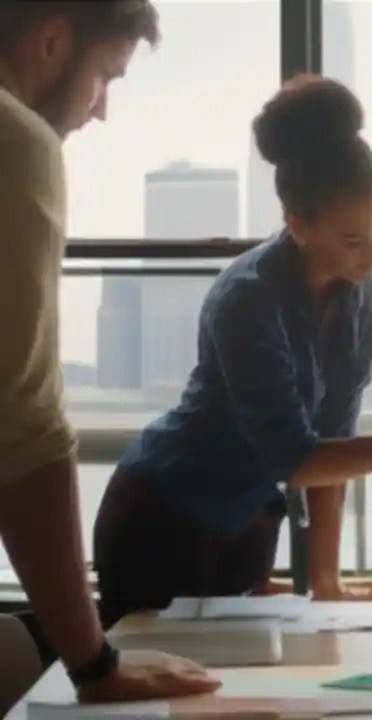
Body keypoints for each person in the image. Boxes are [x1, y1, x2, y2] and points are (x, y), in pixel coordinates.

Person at [92, 75, 372, 628]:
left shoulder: (370, 285)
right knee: (160, 678)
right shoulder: (248, 298)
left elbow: (336, 431)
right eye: (353, 240)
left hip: (248, 528)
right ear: (298, 224)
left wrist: (327, 581)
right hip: (161, 519)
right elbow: (295, 459)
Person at [0, 0, 221, 703]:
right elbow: (26, 434)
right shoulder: (17, 142)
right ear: (52, 41)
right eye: (105, 77)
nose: (101, 110)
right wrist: (95, 665)